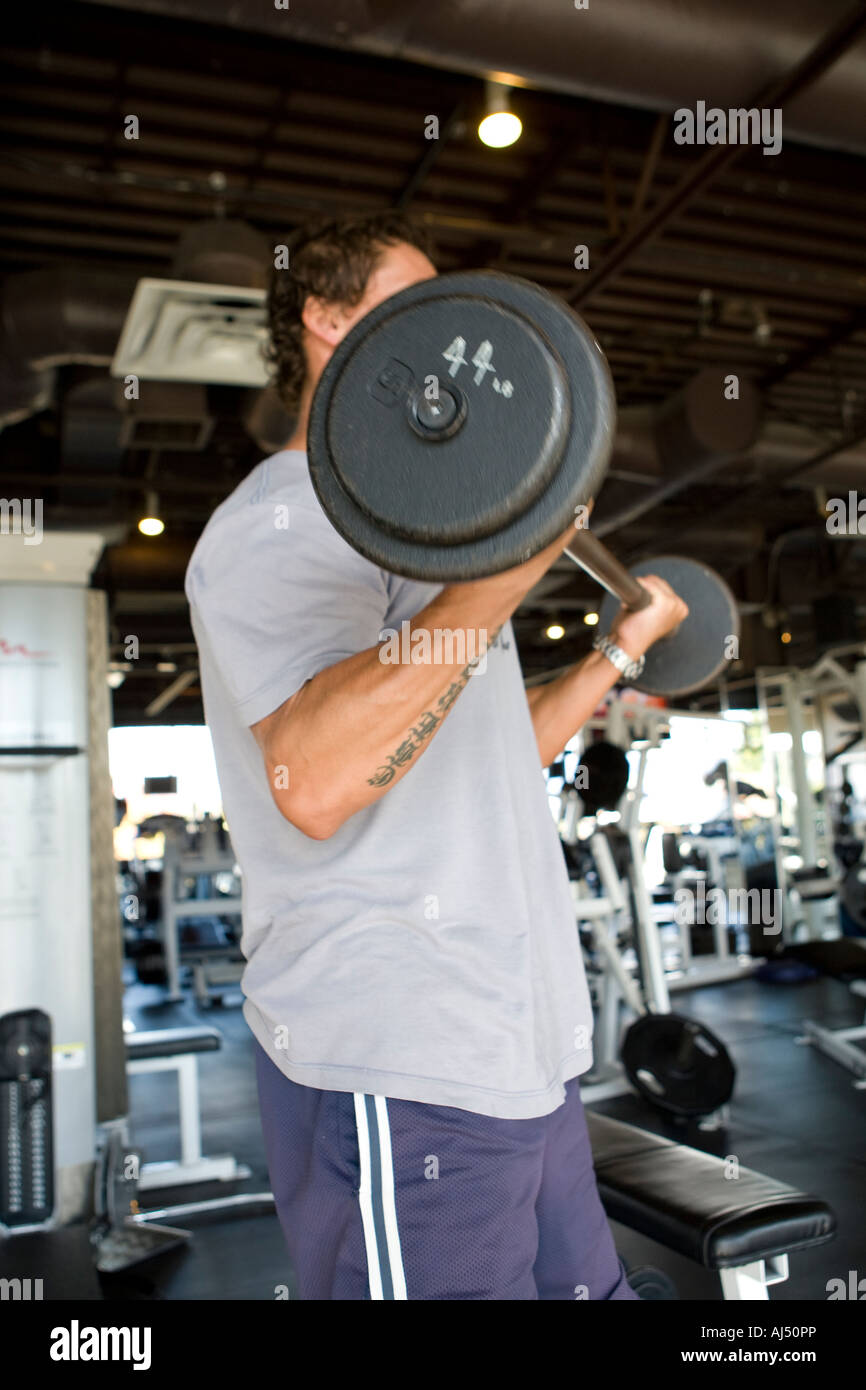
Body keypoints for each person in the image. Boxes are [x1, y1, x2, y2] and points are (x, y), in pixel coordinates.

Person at [185, 212, 687, 1300]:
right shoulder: (284, 520)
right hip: (401, 1061)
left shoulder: (431, 543)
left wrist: (616, 646)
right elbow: (312, 782)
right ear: (327, 319)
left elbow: (493, 759)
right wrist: (516, 558)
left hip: (522, 1054)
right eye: (414, 300)